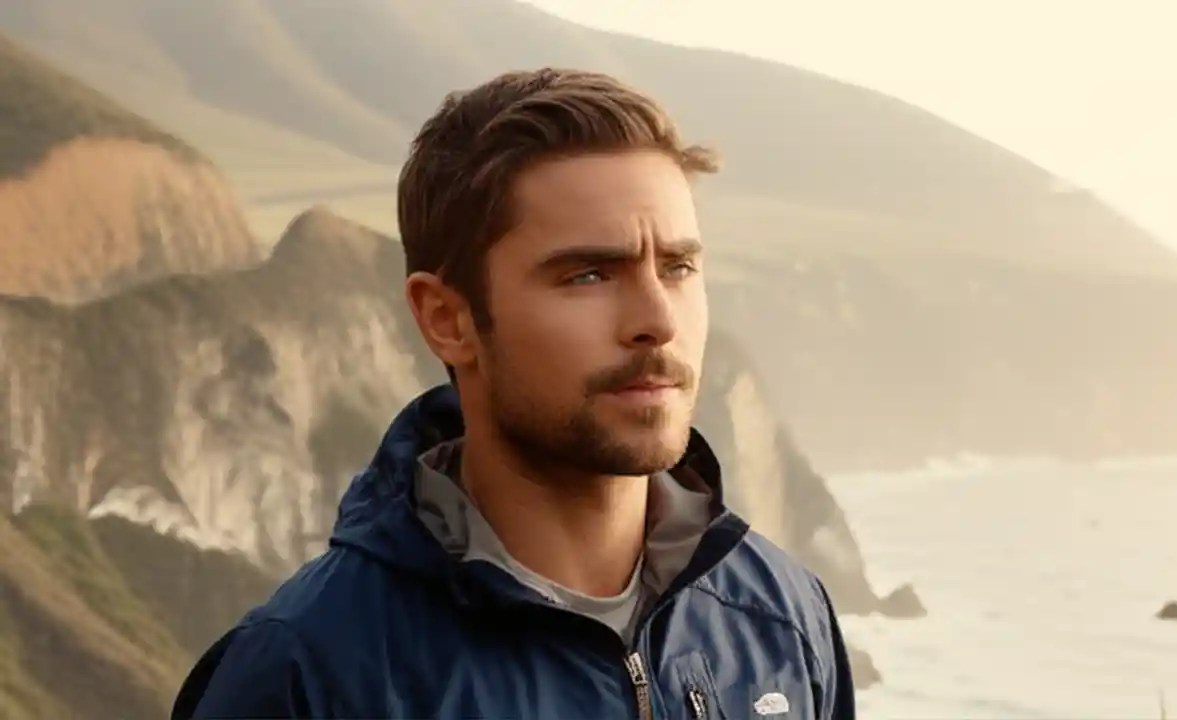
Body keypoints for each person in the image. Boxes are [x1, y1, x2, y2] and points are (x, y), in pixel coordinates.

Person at [172, 67, 856, 719]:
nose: (657, 320)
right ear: (448, 319)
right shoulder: (305, 674)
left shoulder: (783, 616)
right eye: (589, 274)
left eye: (678, 267)